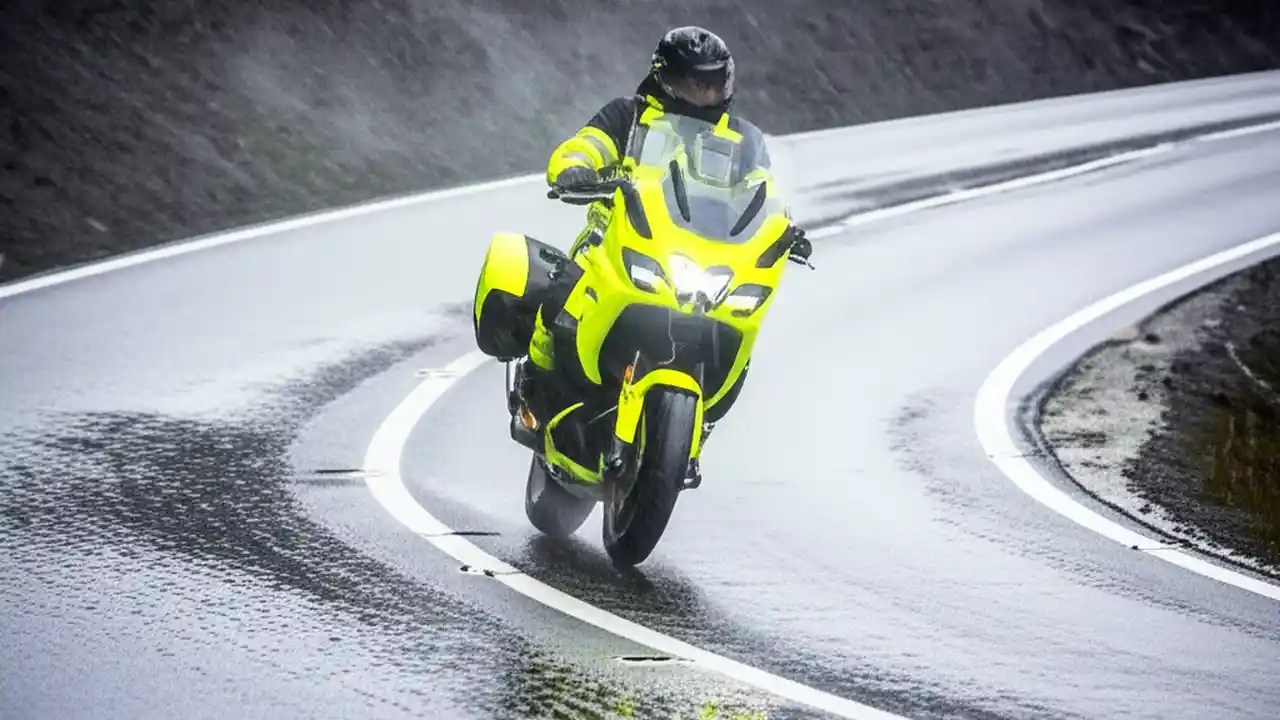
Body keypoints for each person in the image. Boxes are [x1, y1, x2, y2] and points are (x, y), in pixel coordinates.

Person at [519, 26, 810, 481]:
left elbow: (764, 194)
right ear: (666, 77)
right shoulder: (629, 117)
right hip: (616, 243)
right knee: (560, 299)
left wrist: (788, 229)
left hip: (704, 261)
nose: (704, 92)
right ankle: (533, 397)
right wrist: (574, 169)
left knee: (737, 337)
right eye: (695, 82)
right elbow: (586, 144)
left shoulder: (744, 140)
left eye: (712, 83)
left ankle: (695, 426)